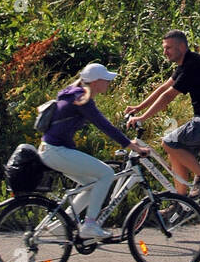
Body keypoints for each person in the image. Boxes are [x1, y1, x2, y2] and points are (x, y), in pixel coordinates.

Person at [38, 62, 150, 240]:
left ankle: (61, 224)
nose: (108, 83)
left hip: (51, 150)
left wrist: (128, 143)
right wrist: (133, 146)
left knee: (90, 184)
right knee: (106, 173)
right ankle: (89, 225)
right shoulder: (82, 99)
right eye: (106, 79)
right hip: (56, 151)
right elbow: (104, 126)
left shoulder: (74, 92)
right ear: (96, 81)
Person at [125, 31, 200, 196]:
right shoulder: (186, 63)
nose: (165, 52)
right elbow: (163, 88)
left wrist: (142, 117)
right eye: (164, 47)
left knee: (168, 142)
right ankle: (180, 202)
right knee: (174, 152)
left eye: (168, 48)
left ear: (182, 47)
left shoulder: (193, 66)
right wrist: (138, 107)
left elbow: (168, 96)